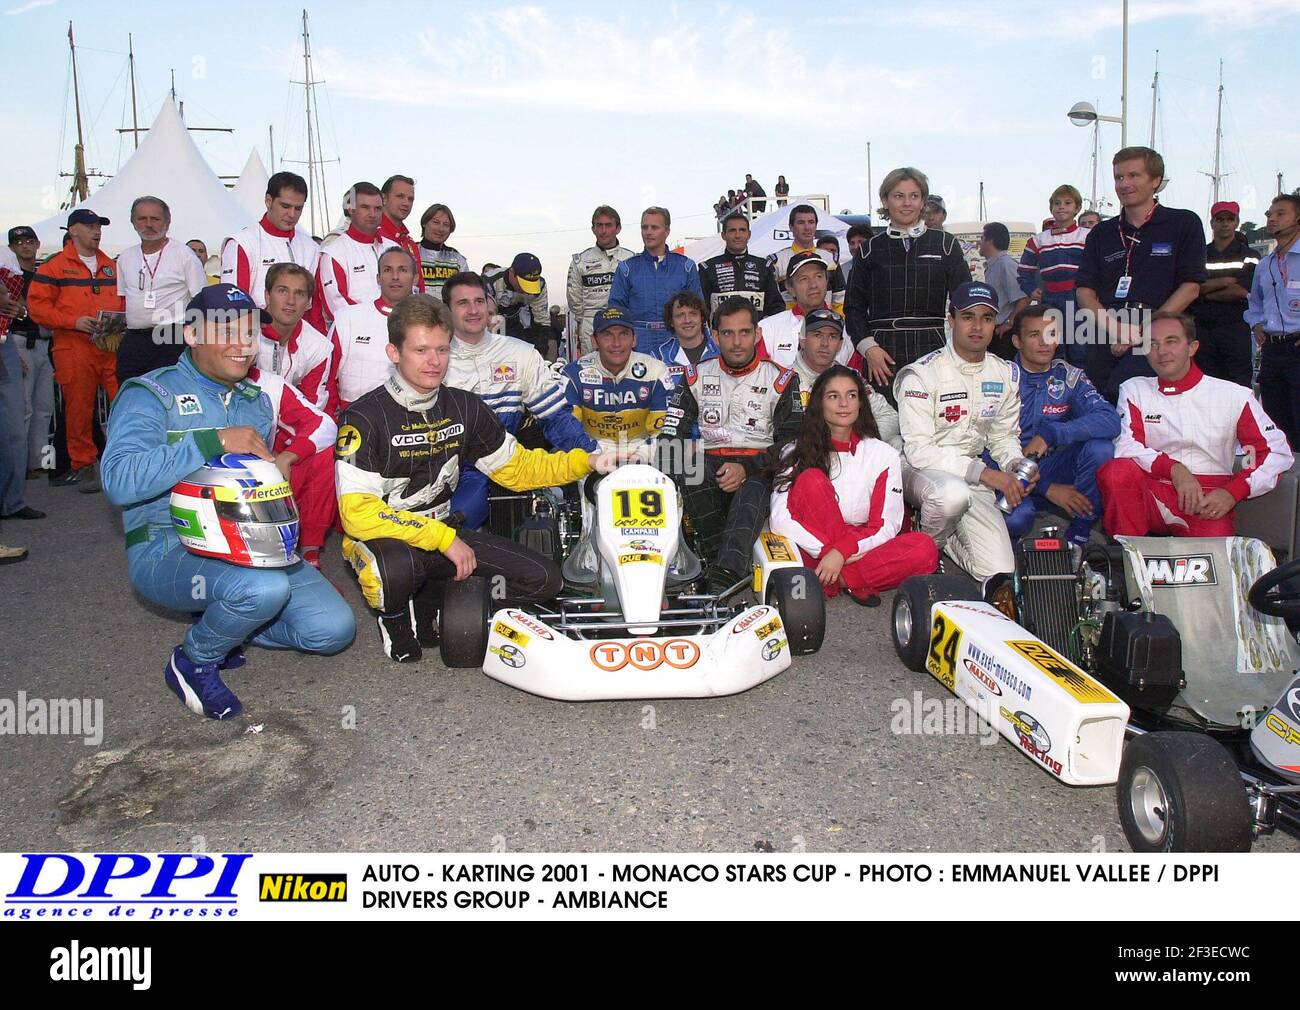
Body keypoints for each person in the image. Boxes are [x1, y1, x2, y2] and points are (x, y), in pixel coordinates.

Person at [100, 283, 356, 720]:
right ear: (193, 335)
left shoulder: (254, 402)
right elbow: (119, 481)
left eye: (250, 332)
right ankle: (194, 659)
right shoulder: (150, 394)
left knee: (333, 631)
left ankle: (230, 624)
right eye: (227, 332)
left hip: (248, 540)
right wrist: (210, 440)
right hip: (167, 545)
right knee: (262, 588)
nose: (243, 344)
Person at [335, 294, 620, 662]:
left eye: (441, 349)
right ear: (394, 353)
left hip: (444, 531)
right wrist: (443, 538)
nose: (434, 362)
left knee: (544, 580)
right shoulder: (363, 417)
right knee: (392, 569)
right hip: (390, 539)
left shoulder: (465, 406)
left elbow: (518, 469)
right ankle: (395, 620)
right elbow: (356, 513)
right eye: (421, 350)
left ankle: (436, 599)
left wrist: (588, 462)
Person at [1099, 312, 1292, 537]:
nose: (1161, 352)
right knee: (1116, 472)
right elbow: (1126, 445)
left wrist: (1233, 492)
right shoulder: (1134, 389)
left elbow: (1276, 453)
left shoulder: (1235, 395)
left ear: (1192, 347)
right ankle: (1128, 557)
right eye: (1152, 344)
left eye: (1171, 341)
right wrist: (1175, 469)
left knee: (1214, 566)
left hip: (1207, 500)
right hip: (1152, 492)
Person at [658, 296, 803, 593]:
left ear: (758, 334)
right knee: (682, 465)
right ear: (715, 336)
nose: (736, 342)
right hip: (710, 459)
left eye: (744, 332)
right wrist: (666, 465)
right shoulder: (695, 376)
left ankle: (724, 573)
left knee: (753, 487)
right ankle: (711, 558)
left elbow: (792, 442)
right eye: (727, 333)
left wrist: (747, 467)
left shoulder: (782, 379)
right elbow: (672, 430)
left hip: (761, 464)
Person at [895, 282, 1030, 582]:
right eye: (968, 316)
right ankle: (926, 546)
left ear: (996, 324)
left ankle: (947, 536)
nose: (977, 326)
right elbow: (919, 450)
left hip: (972, 474)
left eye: (987, 317)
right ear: (951, 319)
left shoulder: (1004, 374)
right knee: (951, 495)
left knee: (999, 574)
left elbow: (1003, 436)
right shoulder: (922, 374)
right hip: (918, 468)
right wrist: (985, 474)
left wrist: (1014, 464)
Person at [442, 271, 596, 529]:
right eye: (462, 303)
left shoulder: (520, 352)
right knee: (454, 522)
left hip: (510, 463)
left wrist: (593, 454)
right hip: (449, 471)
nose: (473, 310)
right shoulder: (435, 358)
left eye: (479, 301)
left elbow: (555, 416)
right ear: (448, 310)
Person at [770, 366, 937, 603]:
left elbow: (886, 525)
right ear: (819, 404)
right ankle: (850, 579)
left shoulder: (883, 454)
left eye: (851, 395)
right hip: (813, 543)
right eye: (833, 396)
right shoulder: (794, 451)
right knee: (812, 479)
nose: (843, 404)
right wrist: (828, 551)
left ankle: (835, 579)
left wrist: (841, 553)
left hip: (860, 545)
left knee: (925, 548)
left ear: (860, 403)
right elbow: (779, 519)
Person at [1074, 147, 1208, 402]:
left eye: (1133, 176)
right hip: (1107, 327)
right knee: (1098, 403)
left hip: (1159, 330)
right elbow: (1084, 292)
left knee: (1143, 405)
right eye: (1118, 177)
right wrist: (1115, 328)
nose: (1124, 184)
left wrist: (1143, 330)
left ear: (1155, 181)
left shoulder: (1183, 223)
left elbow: (1191, 287)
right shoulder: (1101, 233)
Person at [846, 167, 971, 404]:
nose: (907, 203)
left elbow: (965, 305)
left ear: (923, 200)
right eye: (898, 196)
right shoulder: (868, 249)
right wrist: (868, 349)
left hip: (935, 347)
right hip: (882, 354)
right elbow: (853, 309)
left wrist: (957, 352)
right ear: (885, 200)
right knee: (884, 427)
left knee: (936, 424)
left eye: (914, 196)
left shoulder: (945, 244)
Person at [1000, 305, 1119, 548]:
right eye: (1034, 335)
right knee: (1015, 519)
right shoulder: (998, 377)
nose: (1045, 342)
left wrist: (1052, 434)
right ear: (1017, 341)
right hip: (1007, 469)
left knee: (1101, 449)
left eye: (1051, 334)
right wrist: (1046, 488)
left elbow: (1110, 419)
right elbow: (982, 447)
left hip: (1054, 464)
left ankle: (1080, 534)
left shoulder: (1069, 377)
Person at [26, 208, 125, 493]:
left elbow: (124, 300)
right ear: (73, 231)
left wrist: (121, 319)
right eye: (90, 226)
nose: (97, 231)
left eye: (99, 226)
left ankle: (121, 457)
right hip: (73, 345)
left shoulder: (111, 266)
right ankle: (83, 467)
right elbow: (37, 308)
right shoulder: (53, 267)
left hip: (109, 344)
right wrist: (73, 321)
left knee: (124, 402)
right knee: (78, 410)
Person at [116, 196, 206, 383]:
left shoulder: (184, 255)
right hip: (134, 338)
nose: (148, 224)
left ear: (167, 222)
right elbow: (123, 300)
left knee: (172, 397)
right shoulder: (125, 257)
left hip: (171, 337)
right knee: (130, 393)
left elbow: (201, 302)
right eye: (142, 219)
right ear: (133, 222)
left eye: (155, 219)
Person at [563, 306, 670, 462]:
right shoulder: (573, 374)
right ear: (594, 341)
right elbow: (567, 428)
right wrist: (596, 456)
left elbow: (665, 430)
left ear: (634, 339)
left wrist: (639, 458)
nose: (616, 343)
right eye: (607, 335)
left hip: (643, 457)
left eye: (624, 334)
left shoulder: (656, 371)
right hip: (592, 456)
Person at [788, 307, 900, 449]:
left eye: (833, 336)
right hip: (806, 455)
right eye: (817, 335)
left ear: (840, 345)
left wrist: (858, 444)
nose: (825, 343)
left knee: (896, 443)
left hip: (851, 453)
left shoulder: (851, 378)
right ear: (802, 340)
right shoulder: (784, 380)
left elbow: (889, 416)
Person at [606, 207, 703, 355]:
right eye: (644, 227)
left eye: (654, 227)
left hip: (676, 340)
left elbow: (698, 309)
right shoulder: (626, 268)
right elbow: (616, 311)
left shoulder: (686, 267)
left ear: (667, 230)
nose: (648, 232)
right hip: (638, 343)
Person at [331, 246, 416, 408]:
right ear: (378, 278)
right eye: (387, 270)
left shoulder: (431, 320)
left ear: (415, 277)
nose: (395, 277)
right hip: (356, 418)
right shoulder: (347, 318)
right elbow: (326, 379)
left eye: (403, 270)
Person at [220, 171, 320, 309]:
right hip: (256, 328)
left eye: (298, 208)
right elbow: (233, 304)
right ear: (268, 201)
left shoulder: (312, 248)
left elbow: (315, 306)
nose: (292, 214)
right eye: (285, 206)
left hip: (301, 329)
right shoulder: (242, 243)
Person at [1016, 184, 1091, 366]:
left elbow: (1097, 268)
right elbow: (1024, 270)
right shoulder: (1038, 240)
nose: (1062, 207)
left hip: (1078, 299)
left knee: (1080, 347)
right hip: (1050, 299)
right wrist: (1031, 289)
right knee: (1052, 345)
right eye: (1057, 203)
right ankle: (1054, 387)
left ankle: (1082, 387)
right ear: (1051, 208)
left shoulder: (1087, 236)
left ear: (1077, 208)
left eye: (1067, 203)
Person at [1247, 193, 1300, 450]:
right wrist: (1255, 323)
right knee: (1277, 424)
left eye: (1281, 213)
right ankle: (1286, 484)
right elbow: (1254, 300)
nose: (1272, 219)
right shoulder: (1265, 264)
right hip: (1272, 349)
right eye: (1269, 214)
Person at [313, 181, 398, 329]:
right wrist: (380, 325)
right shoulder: (333, 252)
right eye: (365, 207)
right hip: (357, 337)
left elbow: (411, 292)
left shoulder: (394, 248)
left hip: (399, 332)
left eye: (377, 208)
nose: (372, 214)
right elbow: (338, 307)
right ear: (351, 209)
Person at [1191, 200, 1258, 387]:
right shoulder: (1198, 254)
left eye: (1230, 219)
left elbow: (1241, 291)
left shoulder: (1250, 254)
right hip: (1203, 330)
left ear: (1236, 222)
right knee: (1204, 385)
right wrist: (1227, 280)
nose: (1225, 223)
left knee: (1239, 384)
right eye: (1220, 219)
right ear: (1212, 223)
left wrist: (1204, 292)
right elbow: (1191, 287)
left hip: (1235, 328)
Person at [6, 226, 54, 478]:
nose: (25, 246)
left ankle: (43, 462)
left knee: (45, 408)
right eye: (19, 242)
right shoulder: (9, 277)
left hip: (44, 342)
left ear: (37, 244)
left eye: (29, 241)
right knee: (22, 409)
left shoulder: (44, 275)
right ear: (12, 247)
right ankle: (18, 467)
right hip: (18, 342)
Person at [759, 251, 854, 370]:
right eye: (804, 279)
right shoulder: (767, 329)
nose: (813, 285)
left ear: (827, 282)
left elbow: (855, 380)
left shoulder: (848, 330)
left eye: (819, 276)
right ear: (790, 288)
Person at [568, 205, 634, 357]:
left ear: (618, 228)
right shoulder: (580, 261)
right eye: (599, 225)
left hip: (623, 322)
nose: (603, 231)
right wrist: (585, 320)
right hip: (591, 324)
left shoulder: (631, 259)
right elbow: (574, 300)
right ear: (593, 229)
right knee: (591, 373)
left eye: (608, 225)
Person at [698, 211, 785, 320]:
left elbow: (776, 307)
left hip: (757, 335)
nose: (737, 235)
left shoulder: (764, 266)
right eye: (732, 231)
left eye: (742, 230)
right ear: (723, 235)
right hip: (721, 335)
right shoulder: (707, 268)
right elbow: (701, 309)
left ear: (749, 235)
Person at [769, 204, 847, 311]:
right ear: (791, 227)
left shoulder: (829, 259)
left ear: (816, 226)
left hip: (825, 323)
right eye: (801, 223)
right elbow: (771, 303)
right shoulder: (777, 261)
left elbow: (840, 300)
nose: (807, 227)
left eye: (811, 222)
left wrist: (837, 323)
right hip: (789, 324)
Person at [486, 253, 552, 357]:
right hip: (490, 323)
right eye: (524, 283)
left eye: (531, 284)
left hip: (516, 320)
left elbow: (542, 320)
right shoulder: (489, 282)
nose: (526, 290)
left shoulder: (540, 285)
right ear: (512, 272)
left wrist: (541, 351)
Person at [979, 222, 1028, 356]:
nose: (979, 243)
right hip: (993, 331)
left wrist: (1009, 323)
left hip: (1003, 334)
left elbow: (1023, 298)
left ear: (991, 241)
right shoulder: (992, 266)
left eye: (982, 238)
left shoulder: (1006, 265)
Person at [652, 290, 718, 380]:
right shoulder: (659, 356)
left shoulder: (720, 351)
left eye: (693, 314)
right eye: (680, 315)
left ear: (702, 318)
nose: (687, 320)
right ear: (671, 321)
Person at [378, 175, 423, 293]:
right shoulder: (372, 235)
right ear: (383, 198)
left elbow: (419, 288)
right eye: (400, 196)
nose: (406, 203)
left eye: (410, 199)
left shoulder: (410, 243)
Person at [416, 203, 469, 301]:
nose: (440, 229)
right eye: (436, 222)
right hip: (416, 314)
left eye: (446, 225)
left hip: (448, 315)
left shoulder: (457, 259)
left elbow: (466, 293)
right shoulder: (410, 252)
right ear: (424, 223)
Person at [840, 222, 873, 287]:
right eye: (852, 243)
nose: (856, 247)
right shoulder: (842, 270)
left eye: (861, 242)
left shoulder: (880, 266)